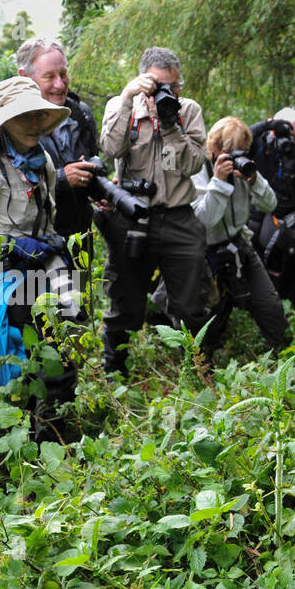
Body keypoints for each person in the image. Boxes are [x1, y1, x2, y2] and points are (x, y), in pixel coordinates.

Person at [0, 76, 78, 441]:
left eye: (38, 115)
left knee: (61, 346)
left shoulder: (44, 162)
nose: (34, 124)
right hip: (6, 277)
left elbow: (47, 213)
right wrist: (9, 244)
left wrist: (52, 244)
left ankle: (56, 437)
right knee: (15, 358)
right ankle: (18, 444)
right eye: (25, 117)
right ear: (5, 122)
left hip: (45, 270)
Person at [98, 47, 207, 375]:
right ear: (144, 80)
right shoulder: (122, 107)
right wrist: (128, 97)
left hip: (178, 216)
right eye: (160, 86)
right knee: (126, 303)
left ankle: (195, 366)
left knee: (190, 303)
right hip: (134, 217)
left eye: (175, 85)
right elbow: (110, 149)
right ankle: (115, 371)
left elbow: (193, 164)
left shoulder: (189, 111)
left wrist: (170, 124)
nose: (169, 92)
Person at [190, 116, 287, 351]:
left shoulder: (243, 168)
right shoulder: (198, 169)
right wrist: (219, 181)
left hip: (238, 245)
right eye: (232, 151)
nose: (238, 157)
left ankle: (285, 353)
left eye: (243, 151)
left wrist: (254, 181)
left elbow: (270, 204)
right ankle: (202, 367)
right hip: (206, 252)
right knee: (208, 315)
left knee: (270, 305)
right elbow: (205, 220)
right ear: (215, 148)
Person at [13, 37, 98, 293]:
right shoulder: (9, 122)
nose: (60, 84)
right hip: (31, 247)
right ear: (24, 77)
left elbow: (89, 159)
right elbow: (6, 188)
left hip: (78, 241)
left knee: (77, 317)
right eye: (49, 77)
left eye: (63, 74)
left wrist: (96, 188)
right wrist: (61, 178)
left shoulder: (80, 113)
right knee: (39, 323)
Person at [247, 107, 295, 305]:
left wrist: (293, 176)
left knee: (294, 262)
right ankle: (255, 302)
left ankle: (291, 306)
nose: (290, 142)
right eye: (287, 135)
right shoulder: (260, 143)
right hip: (255, 214)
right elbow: (232, 143)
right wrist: (265, 125)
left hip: (286, 219)